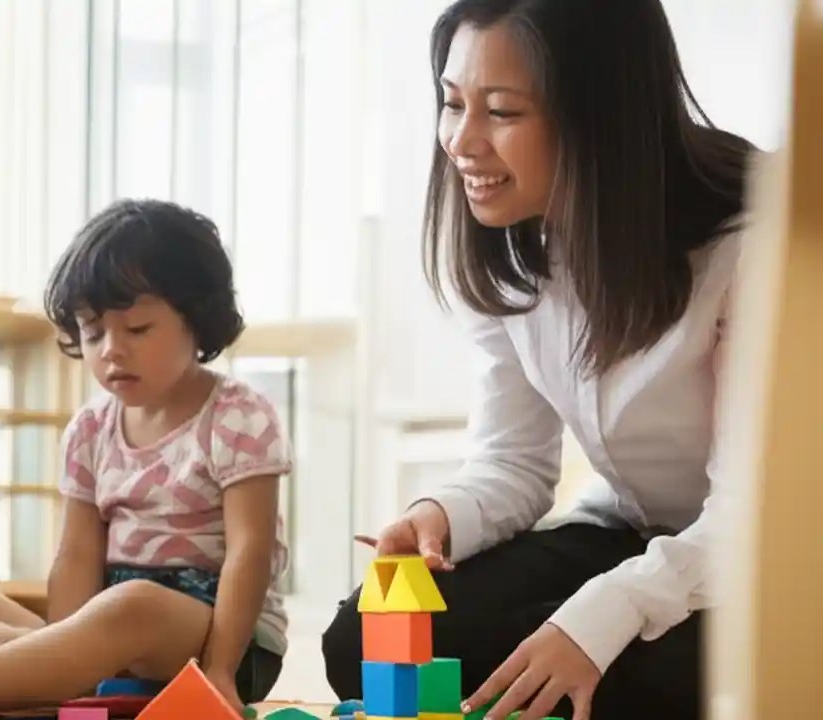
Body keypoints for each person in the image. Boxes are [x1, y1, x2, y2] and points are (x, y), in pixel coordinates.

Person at [320, 2, 752, 719]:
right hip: (636, 533)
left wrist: (600, 617)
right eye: (452, 103)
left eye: (502, 112)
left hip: (769, 556)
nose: (462, 141)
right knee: (360, 643)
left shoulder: (754, 242)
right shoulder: (515, 247)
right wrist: (441, 515)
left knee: (620, 679)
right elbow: (513, 466)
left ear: (600, 115)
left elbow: (752, 515)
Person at [0, 198, 294, 718]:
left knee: (134, 606)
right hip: (117, 629)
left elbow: (250, 551)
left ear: (197, 321)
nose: (110, 350)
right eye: (92, 331)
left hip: (225, 637)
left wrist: (220, 669)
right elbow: (78, 553)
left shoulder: (237, 416)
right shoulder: (90, 429)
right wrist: (67, 653)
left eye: (137, 329)